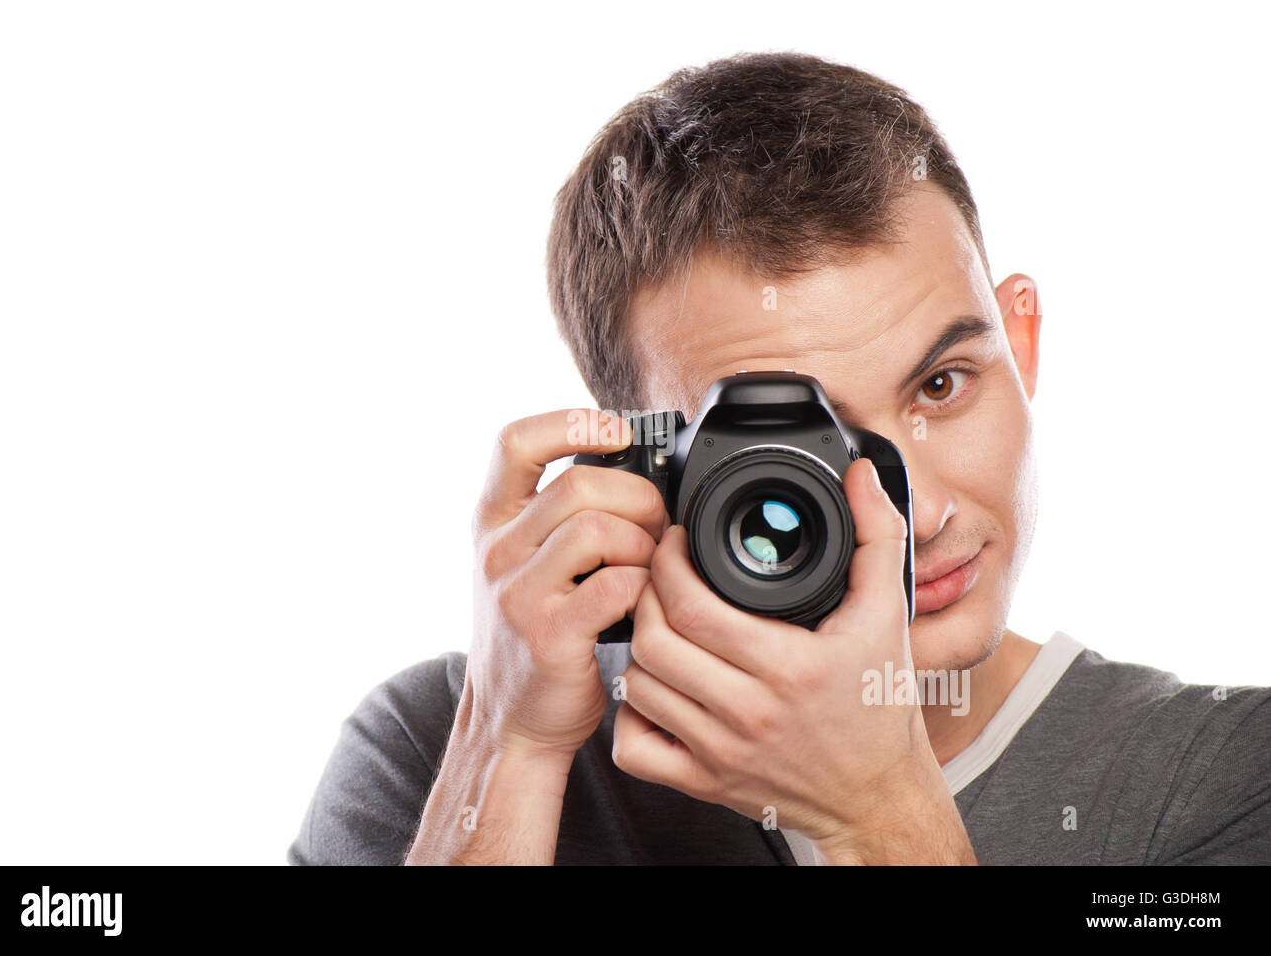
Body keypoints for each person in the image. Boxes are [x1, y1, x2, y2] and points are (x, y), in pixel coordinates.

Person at [288, 52, 1271, 865]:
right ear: (638, 464)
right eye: (799, 446)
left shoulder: (1225, 776)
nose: (917, 513)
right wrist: (506, 749)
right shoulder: (432, 746)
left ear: (1020, 344)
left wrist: (875, 814)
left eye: (941, 386)